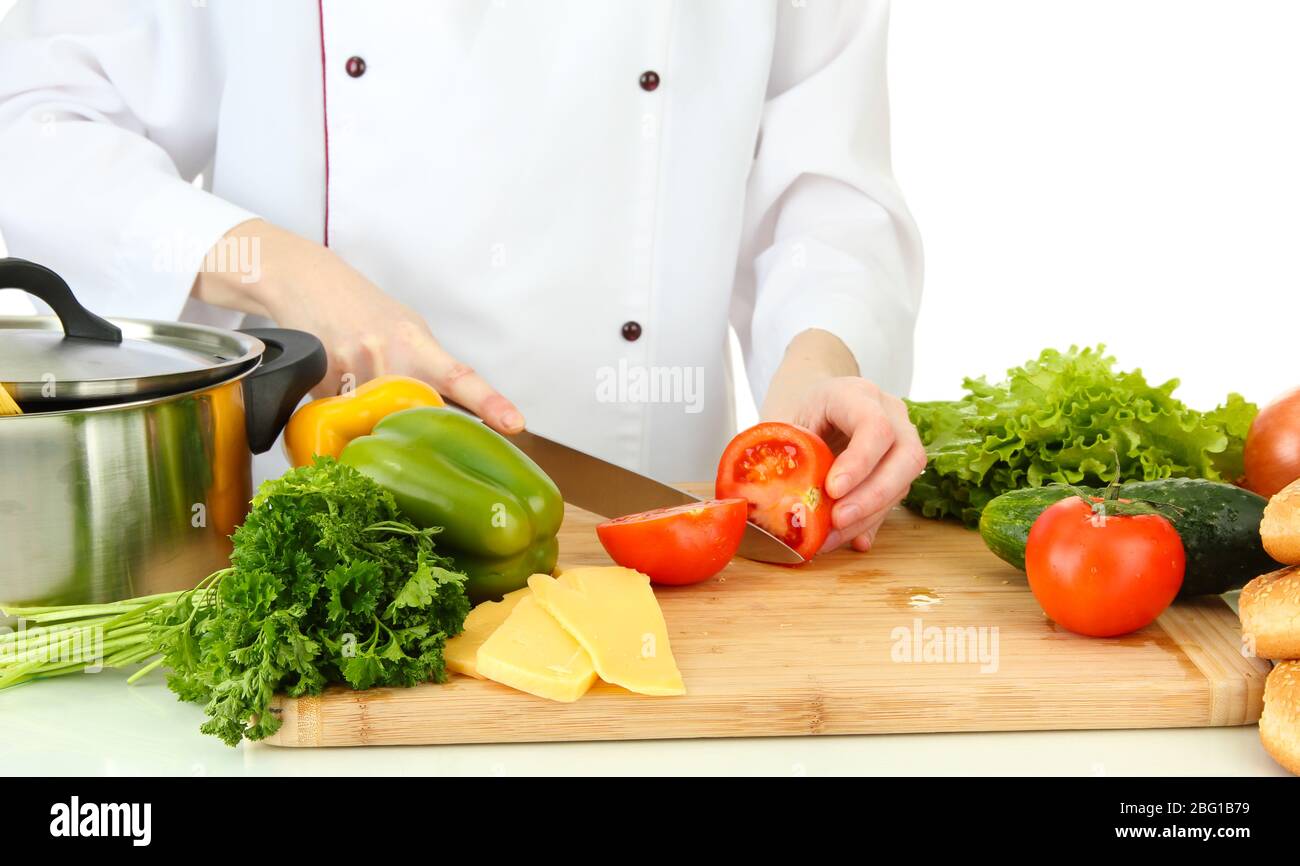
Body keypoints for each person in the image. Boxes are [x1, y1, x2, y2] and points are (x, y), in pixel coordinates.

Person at [0, 0, 925, 553]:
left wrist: (817, 363)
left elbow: (824, 182)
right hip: (306, 522)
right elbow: (34, 127)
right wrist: (281, 270)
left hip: (659, 531)